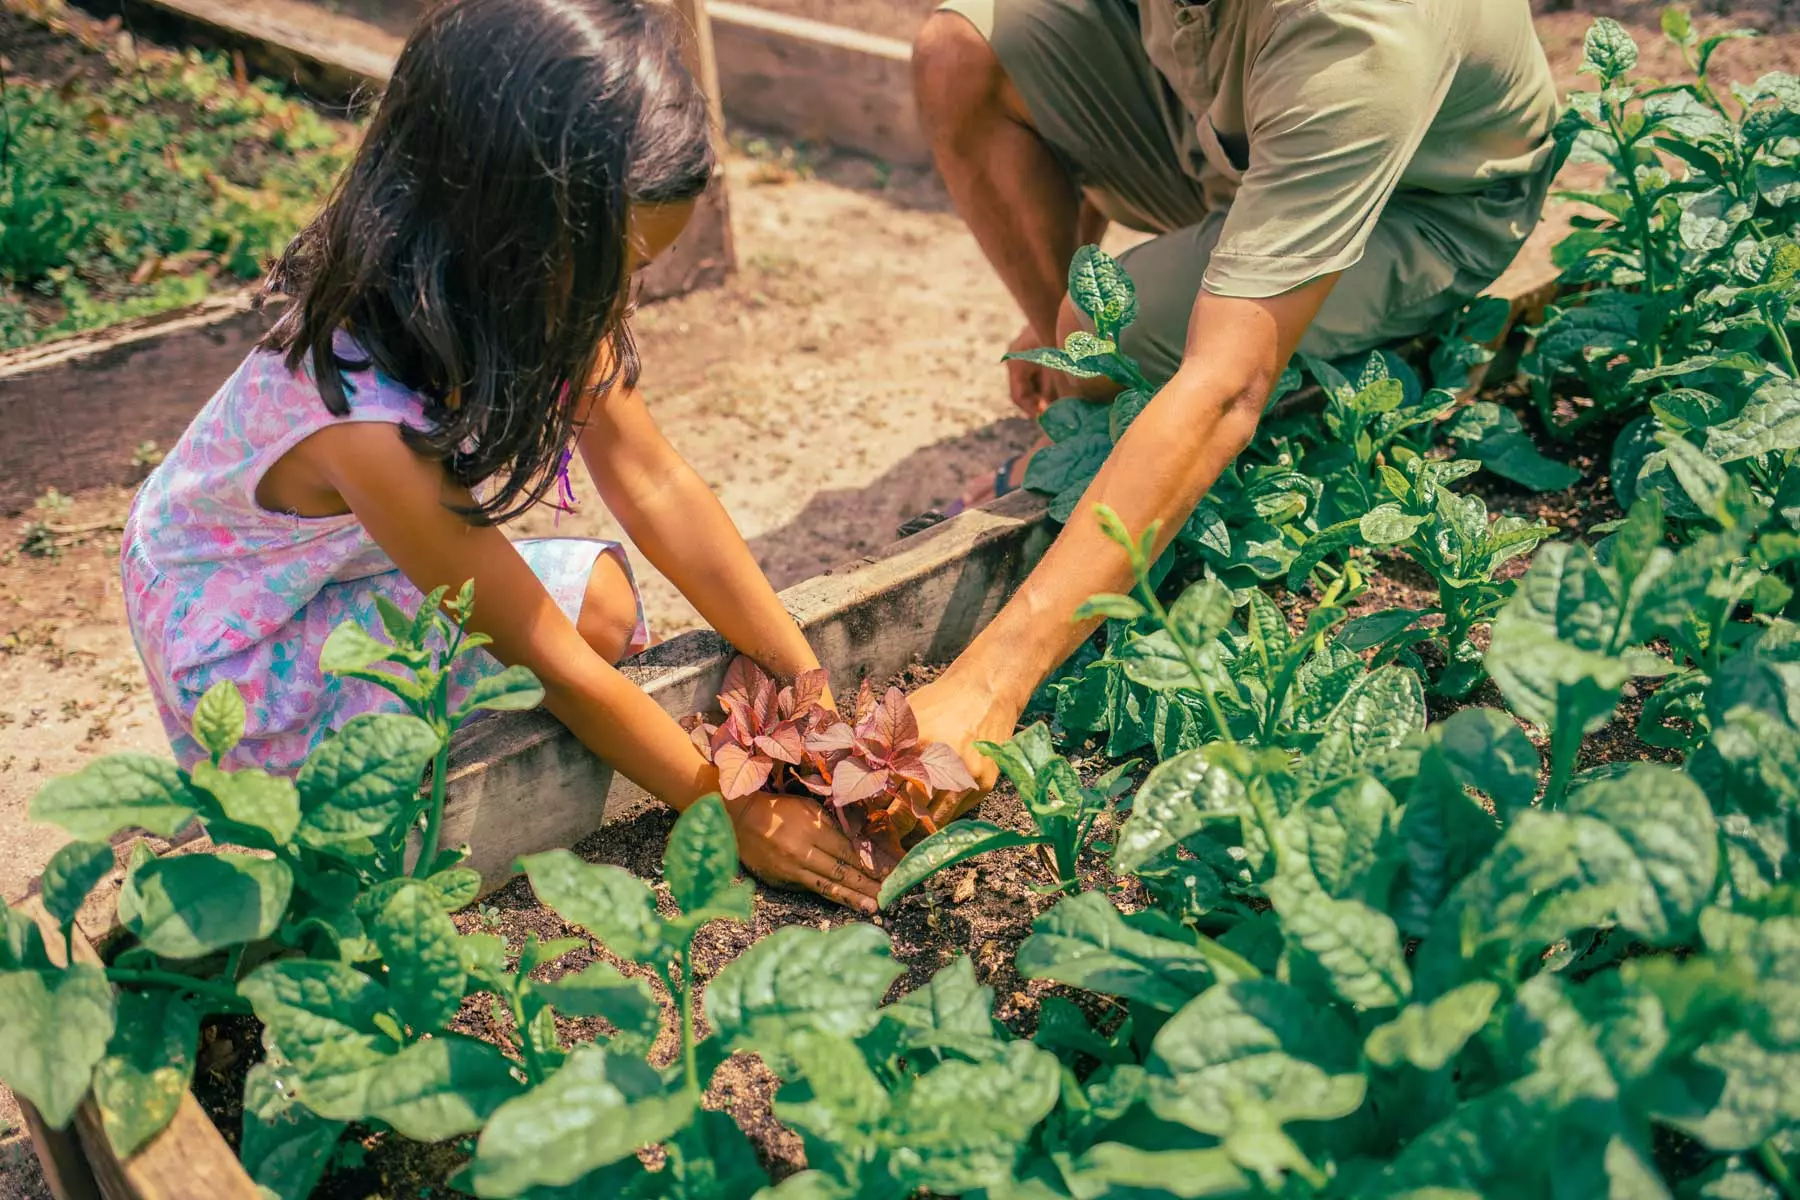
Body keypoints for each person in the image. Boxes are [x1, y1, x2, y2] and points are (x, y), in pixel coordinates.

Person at [119, 0, 882, 913]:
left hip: (337, 575)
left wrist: (806, 688)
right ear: (501, 228)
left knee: (601, 604)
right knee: (370, 803)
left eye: (632, 279)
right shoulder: (367, 424)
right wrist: (728, 813)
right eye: (611, 274)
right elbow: (547, 659)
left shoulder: (542, 296)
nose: (619, 305)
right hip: (244, 637)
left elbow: (654, 481)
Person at [903, 0, 1559, 798]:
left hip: (1417, 199)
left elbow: (1227, 388)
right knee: (959, 52)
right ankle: (1092, 406)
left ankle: (1113, 417)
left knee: (1102, 325)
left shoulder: (1360, 28)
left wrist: (990, 683)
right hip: (1229, 116)